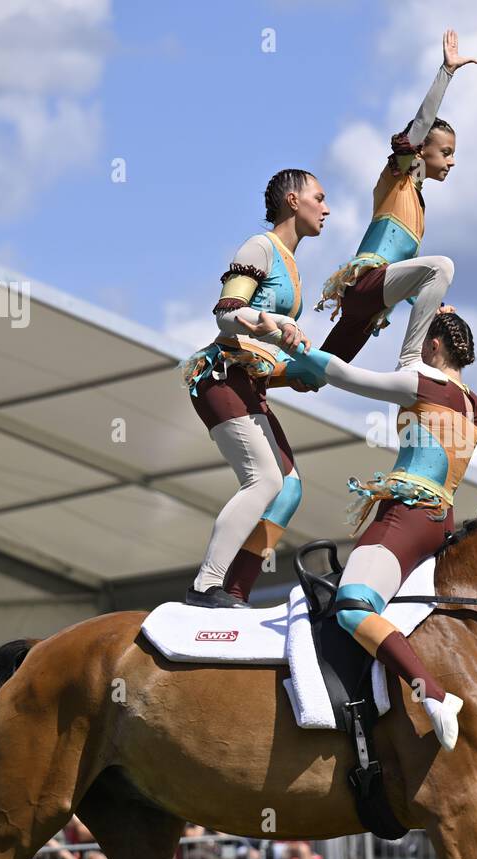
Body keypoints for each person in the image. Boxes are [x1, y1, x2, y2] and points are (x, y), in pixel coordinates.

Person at [281, 311, 477, 749]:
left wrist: (295, 347)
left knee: (353, 606)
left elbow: (344, 375)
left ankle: (432, 693)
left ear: (431, 347)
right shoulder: (475, 404)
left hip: (407, 515)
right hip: (442, 521)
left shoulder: (422, 384)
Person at [179, 169, 329, 608]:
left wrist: (290, 375)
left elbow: (261, 353)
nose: (326, 207)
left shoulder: (291, 261)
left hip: (250, 383)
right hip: (221, 377)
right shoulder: (259, 247)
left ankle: (236, 591)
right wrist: (276, 322)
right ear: (291, 200)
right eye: (318, 197)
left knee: (288, 487)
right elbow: (227, 314)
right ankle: (207, 585)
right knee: (262, 479)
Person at [316, 30, 476, 369]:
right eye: (445, 152)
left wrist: (436, 306)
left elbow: (411, 281)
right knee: (442, 266)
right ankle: (410, 359)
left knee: (321, 372)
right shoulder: (398, 177)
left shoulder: (418, 204)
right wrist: (446, 73)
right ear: (421, 151)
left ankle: (262, 376)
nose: (452, 161)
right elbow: (420, 125)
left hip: (372, 307)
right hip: (366, 286)